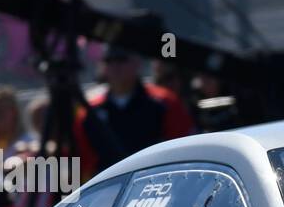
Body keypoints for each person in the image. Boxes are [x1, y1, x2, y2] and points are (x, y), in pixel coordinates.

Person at [74, 46, 195, 176]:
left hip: (156, 181)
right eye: (109, 61)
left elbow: (186, 149)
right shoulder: (89, 112)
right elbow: (80, 163)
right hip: (107, 187)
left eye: (122, 60)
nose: (115, 67)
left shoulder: (164, 102)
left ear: (137, 63)